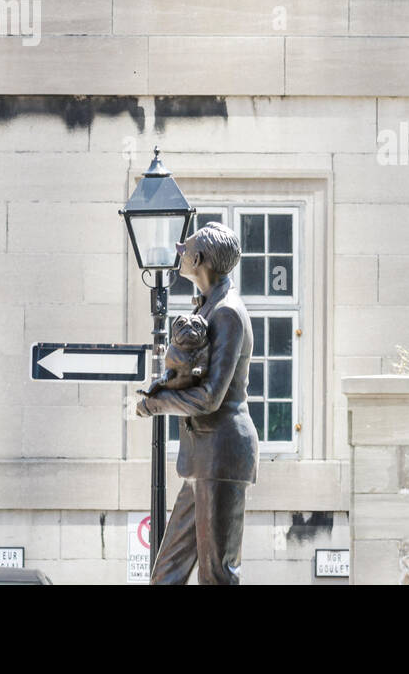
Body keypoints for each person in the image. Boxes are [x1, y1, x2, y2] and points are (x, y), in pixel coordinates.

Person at [136, 222, 258, 585]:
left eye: (185, 248)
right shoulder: (208, 308)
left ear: (200, 258)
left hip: (222, 453)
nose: (179, 251)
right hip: (202, 457)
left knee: (217, 573)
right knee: (166, 574)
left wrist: (158, 405)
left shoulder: (227, 312)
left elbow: (210, 397)